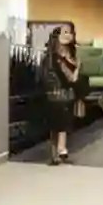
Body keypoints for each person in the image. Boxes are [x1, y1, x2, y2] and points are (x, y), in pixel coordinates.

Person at [42, 25, 79, 165]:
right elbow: (70, 77)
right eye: (65, 32)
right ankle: (58, 151)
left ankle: (59, 150)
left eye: (70, 33)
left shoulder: (67, 55)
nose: (68, 35)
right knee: (59, 123)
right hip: (58, 93)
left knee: (60, 124)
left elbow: (73, 76)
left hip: (63, 93)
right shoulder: (55, 57)